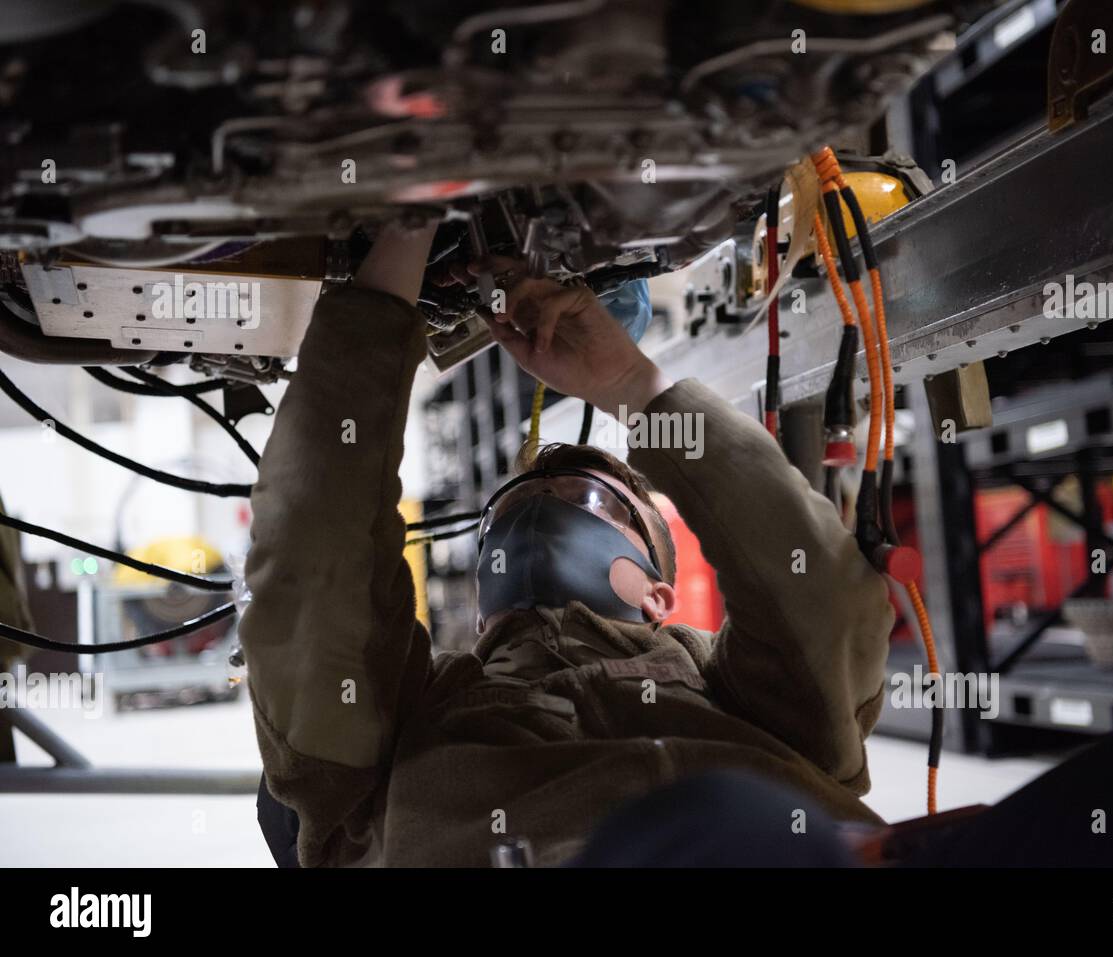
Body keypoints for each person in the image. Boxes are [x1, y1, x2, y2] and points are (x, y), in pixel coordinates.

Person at [239, 222, 895, 866]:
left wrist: (636, 388)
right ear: (478, 616)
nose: (542, 505)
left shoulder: (742, 693)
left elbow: (822, 594)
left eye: (595, 502)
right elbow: (313, 563)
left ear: (660, 593)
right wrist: (403, 241)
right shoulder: (406, 714)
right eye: (509, 515)